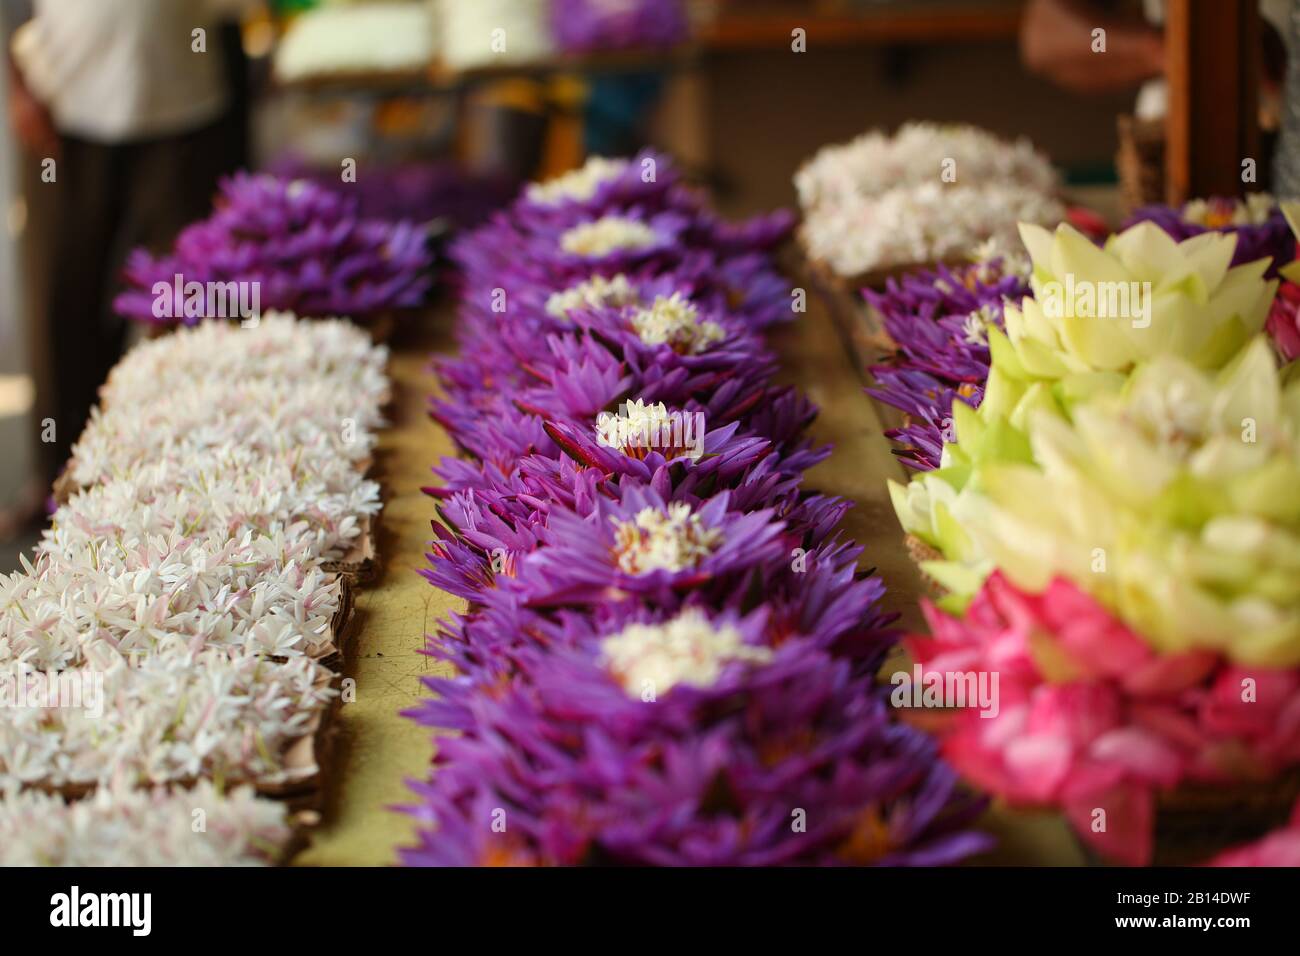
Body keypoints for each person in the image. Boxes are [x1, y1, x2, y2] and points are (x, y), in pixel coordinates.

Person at [6, 0, 251, 479]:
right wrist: (16, 83)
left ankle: (194, 479)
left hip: (185, 102)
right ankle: (59, 482)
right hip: (65, 100)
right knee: (61, 303)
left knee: (193, 306)